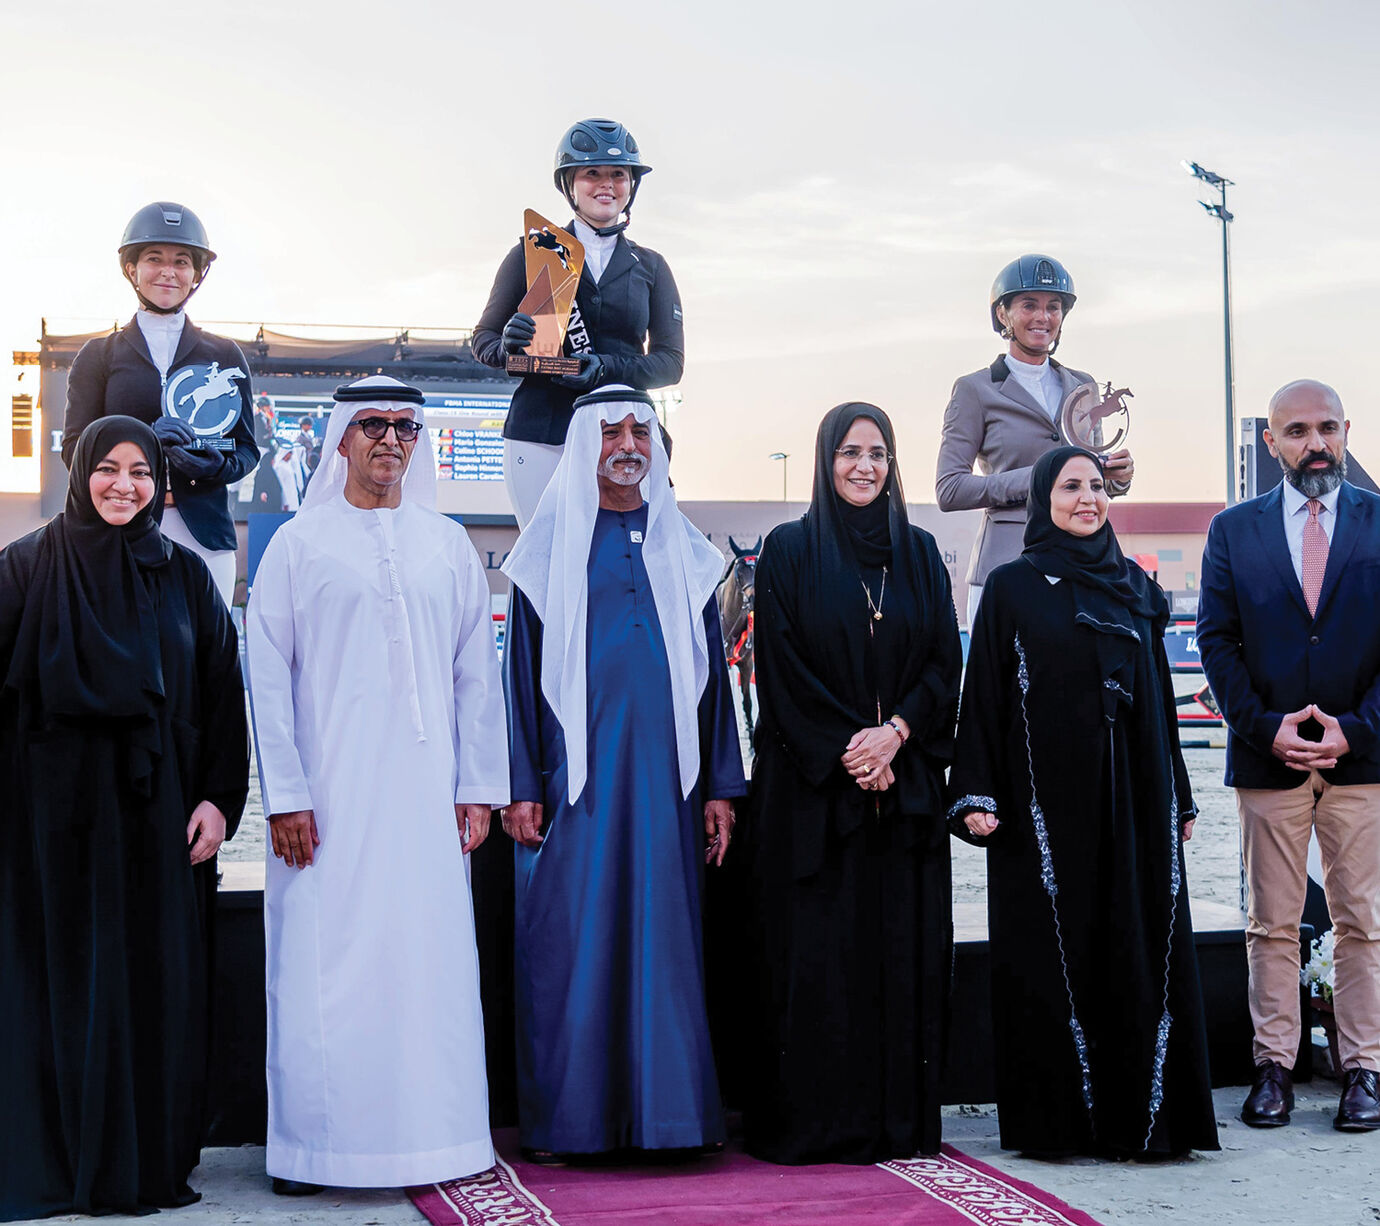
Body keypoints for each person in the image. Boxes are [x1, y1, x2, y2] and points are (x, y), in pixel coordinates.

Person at [246, 376, 510, 1192]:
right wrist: (287, 794)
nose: (390, 439)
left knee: (427, 965)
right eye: (372, 425)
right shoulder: (298, 545)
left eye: (404, 426)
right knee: (326, 964)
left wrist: (477, 788)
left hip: (428, 802)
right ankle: (316, 1150)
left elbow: (475, 677)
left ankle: (438, 1142)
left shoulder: (446, 545)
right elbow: (268, 676)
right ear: (341, 439)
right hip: (328, 801)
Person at [0, 417, 247, 1220]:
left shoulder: (184, 576)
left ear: (159, 486)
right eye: (107, 468)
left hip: (160, 825)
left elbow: (221, 691)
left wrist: (218, 800)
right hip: (47, 831)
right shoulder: (25, 568)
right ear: (80, 473)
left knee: (152, 987)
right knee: (55, 985)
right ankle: (59, 1159)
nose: (124, 485)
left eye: (141, 472)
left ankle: (142, 1161)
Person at [948, 446, 1218, 1159]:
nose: (1087, 498)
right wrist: (975, 792)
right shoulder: (1012, 586)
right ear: (1043, 498)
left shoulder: (1136, 586)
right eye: (1070, 486)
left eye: (1097, 486)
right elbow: (985, 694)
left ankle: (1142, 1122)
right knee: (1054, 950)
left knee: (1136, 938)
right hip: (1043, 808)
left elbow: (1160, 700)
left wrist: (1179, 795)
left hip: (1135, 800)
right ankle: (1060, 1125)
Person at [501, 386, 745, 1159]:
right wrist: (521, 785)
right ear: (584, 445)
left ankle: (670, 1122)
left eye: (641, 430)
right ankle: (572, 1125)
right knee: (574, 943)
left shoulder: (686, 551)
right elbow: (518, 677)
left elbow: (713, 686)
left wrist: (721, 786)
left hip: (669, 791)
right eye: (611, 432)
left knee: (664, 943)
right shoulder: (545, 550)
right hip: (576, 787)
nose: (628, 444)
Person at [742, 403, 963, 1164]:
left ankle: (897, 1126)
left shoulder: (921, 554)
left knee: (899, 959)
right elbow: (780, 671)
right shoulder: (789, 551)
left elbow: (944, 663)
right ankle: (815, 1126)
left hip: (902, 796)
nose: (865, 466)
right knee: (820, 964)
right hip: (814, 799)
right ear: (825, 460)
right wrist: (850, 749)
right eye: (849, 452)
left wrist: (894, 733)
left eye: (878, 453)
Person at [1197, 379, 1380, 1132]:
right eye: (1298, 431)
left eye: (1327, 428)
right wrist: (1263, 726)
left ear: (1347, 431)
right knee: (1270, 923)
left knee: (1363, 921)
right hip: (1267, 758)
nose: (1316, 443)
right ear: (1270, 442)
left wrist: (1357, 730)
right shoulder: (1232, 530)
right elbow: (1216, 640)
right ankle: (1272, 1067)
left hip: (1361, 762)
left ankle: (1364, 1070)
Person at [473, 119, 684, 527]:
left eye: (618, 174)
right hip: (542, 433)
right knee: (545, 555)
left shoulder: (653, 266)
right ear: (569, 184)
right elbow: (483, 340)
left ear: (631, 184)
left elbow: (670, 364)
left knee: (629, 552)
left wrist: (604, 368)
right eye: (592, 173)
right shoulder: (529, 254)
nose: (606, 184)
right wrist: (506, 345)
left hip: (624, 431)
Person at [61, 202, 259, 606]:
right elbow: (75, 448)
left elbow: (246, 450)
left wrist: (214, 467)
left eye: (181, 261)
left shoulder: (225, 355)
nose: (168, 271)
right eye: (155, 258)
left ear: (196, 274)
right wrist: (141, 444)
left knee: (206, 644)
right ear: (132, 269)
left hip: (204, 535)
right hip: (120, 529)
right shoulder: (99, 355)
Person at [935, 254, 1135, 626]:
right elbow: (949, 489)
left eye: (1053, 307)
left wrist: (1115, 477)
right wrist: (1041, 477)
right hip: (1007, 565)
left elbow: (1090, 479)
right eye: (1029, 305)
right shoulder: (974, 390)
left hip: (1083, 565)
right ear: (1002, 314)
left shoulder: (1083, 386)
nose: (1043, 317)